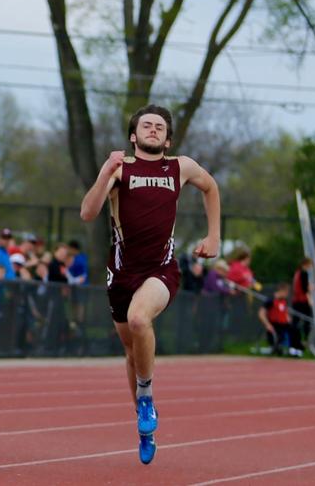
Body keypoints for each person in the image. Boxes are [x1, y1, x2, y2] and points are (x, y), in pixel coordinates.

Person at [80, 104, 220, 465]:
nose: (154, 129)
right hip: (121, 273)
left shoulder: (180, 167)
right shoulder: (120, 168)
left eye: (160, 126)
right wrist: (105, 172)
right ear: (133, 135)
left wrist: (214, 236)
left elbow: (210, 187)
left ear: (168, 139)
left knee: (140, 319)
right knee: (131, 352)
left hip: (161, 269)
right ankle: (145, 428)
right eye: (147, 125)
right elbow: (88, 213)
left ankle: (145, 395)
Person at [257, 283, 295, 356]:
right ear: (281, 290)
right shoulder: (270, 300)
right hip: (274, 324)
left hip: (284, 324)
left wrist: (288, 318)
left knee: (294, 330)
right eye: (286, 292)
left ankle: (294, 350)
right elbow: (261, 313)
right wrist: (268, 325)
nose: (288, 294)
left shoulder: (284, 300)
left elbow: (284, 311)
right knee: (277, 336)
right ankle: (276, 348)